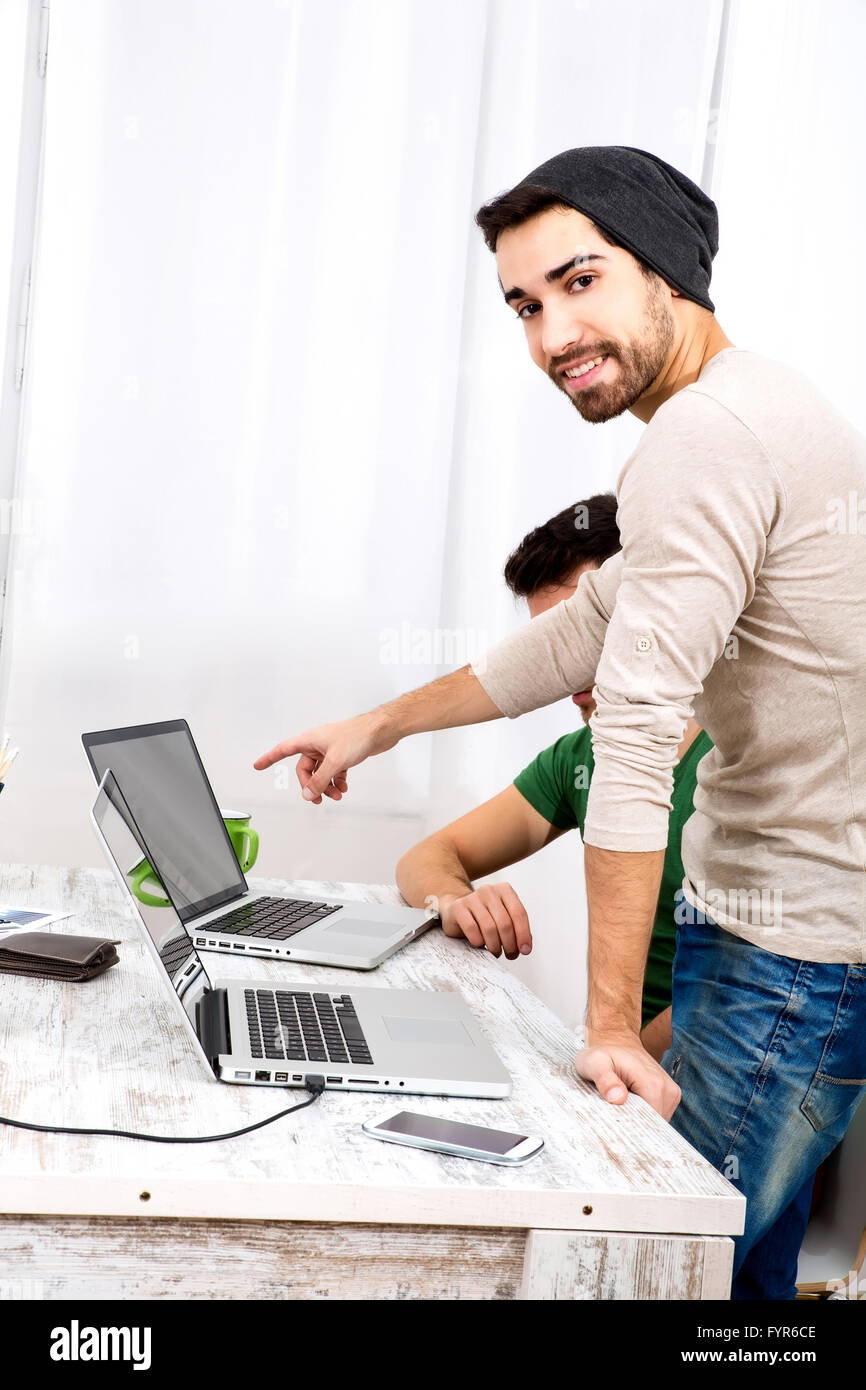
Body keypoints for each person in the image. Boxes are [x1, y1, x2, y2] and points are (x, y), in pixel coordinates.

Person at [253, 146, 866, 1299]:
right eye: (524, 305)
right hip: (795, 949)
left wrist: (609, 1030)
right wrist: (378, 726)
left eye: (579, 283)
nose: (548, 337)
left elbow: (632, 738)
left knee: (646, 1275)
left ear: (666, 273)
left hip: (791, 958)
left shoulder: (703, 439)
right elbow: (581, 630)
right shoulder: (744, 412)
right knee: (740, 1289)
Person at [395, 492, 711, 1064]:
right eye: (554, 648)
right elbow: (426, 857)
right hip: (623, 1061)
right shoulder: (581, 757)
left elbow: (735, 989)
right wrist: (455, 900)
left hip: (716, 1062)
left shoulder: (735, 763)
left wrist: (615, 1062)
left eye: (584, 636)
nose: (567, 673)